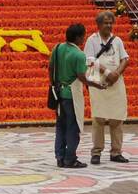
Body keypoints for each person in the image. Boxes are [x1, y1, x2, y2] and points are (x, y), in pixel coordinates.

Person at [50, 23, 102, 168]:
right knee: (73, 127)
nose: (84, 39)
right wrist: (98, 85)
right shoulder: (79, 54)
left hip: (59, 93)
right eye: (83, 36)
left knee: (61, 126)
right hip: (72, 95)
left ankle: (60, 157)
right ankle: (70, 158)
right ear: (79, 37)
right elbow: (83, 77)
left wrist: (54, 84)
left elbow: (50, 67)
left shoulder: (57, 48)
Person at [84, 9, 130, 164]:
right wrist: (108, 72)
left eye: (111, 23)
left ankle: (116, 152)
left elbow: (125, 59)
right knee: (99, 117)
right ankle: (96, 152)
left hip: (116, 82)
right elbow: (89, 60)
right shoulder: (92, 40)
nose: (109, 26)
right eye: (106, 23)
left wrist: (116, 73)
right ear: (98, 25)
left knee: (117, 117)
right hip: (98, 82)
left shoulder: (117, 40)